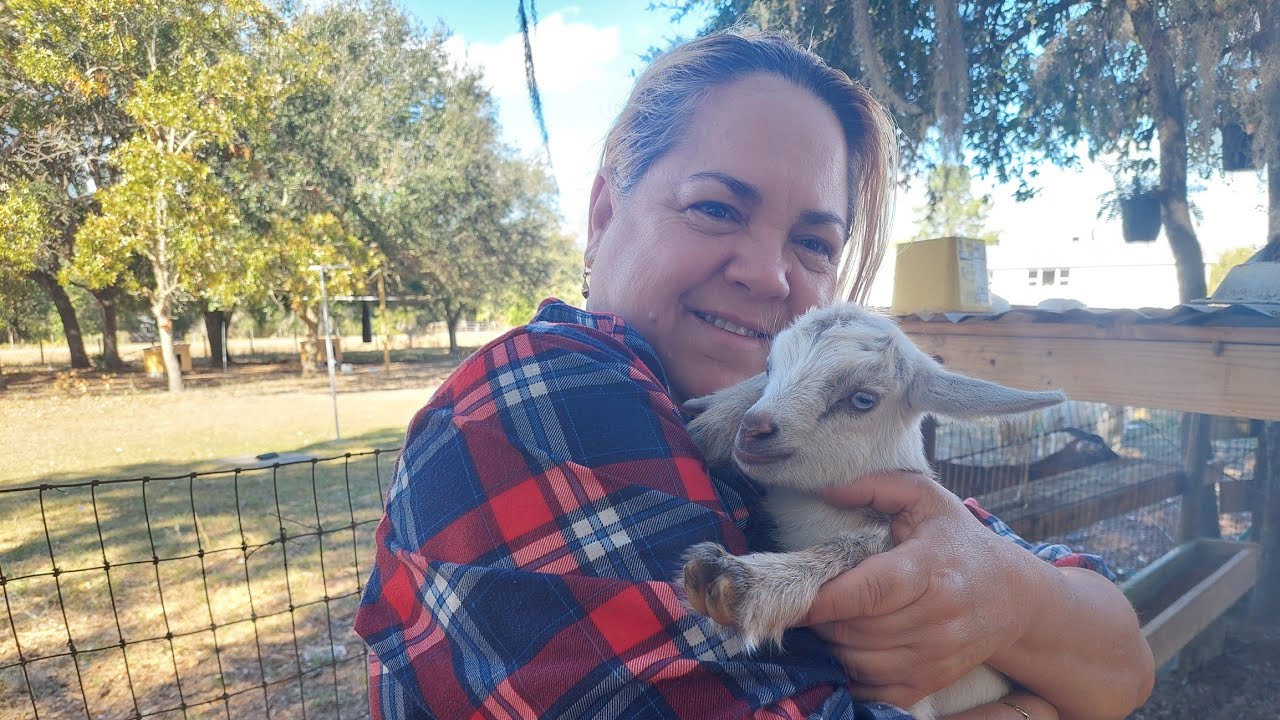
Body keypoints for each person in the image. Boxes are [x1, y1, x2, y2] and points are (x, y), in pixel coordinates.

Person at [354, 28, 1154, 720]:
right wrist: (1036, 700)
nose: (772, 277)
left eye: (814, 243)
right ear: (604, 216)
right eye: (715, 207)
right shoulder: (540, 398)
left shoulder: (813, 437)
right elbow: (1099, 682)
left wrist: (1007, 593)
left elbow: (1126, 661)